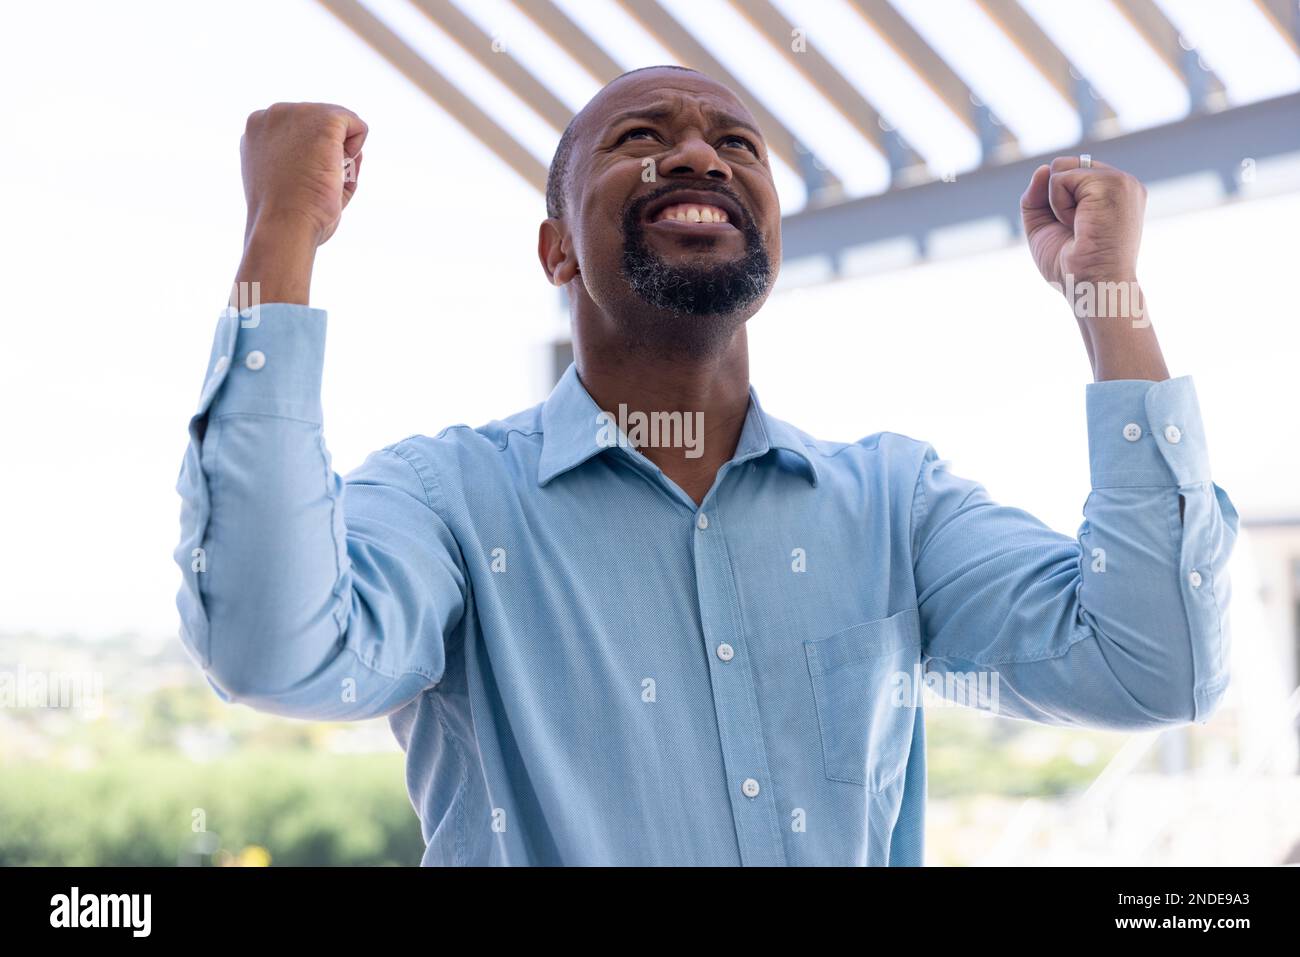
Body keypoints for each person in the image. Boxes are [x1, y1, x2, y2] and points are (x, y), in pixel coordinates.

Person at [175, 65, 1237, 865]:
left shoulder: (893, 505)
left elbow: (1156, 669)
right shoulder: (445, 501)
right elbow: (270, 649)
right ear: (556, 251)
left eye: (738, 144)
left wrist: (1106, 294)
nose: (698, 157)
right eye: (640, 138)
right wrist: (282, 232)